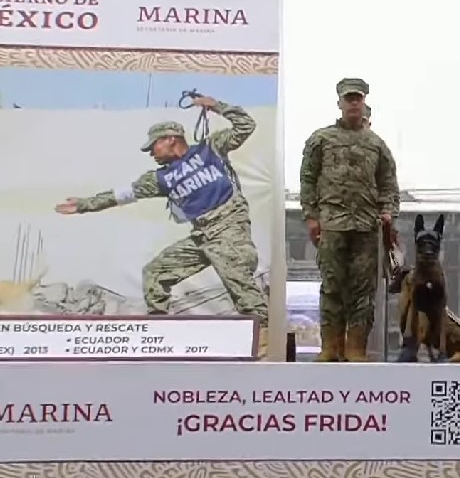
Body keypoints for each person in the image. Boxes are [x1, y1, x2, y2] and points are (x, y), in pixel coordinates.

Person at [55, 95, 269, 355]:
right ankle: (160, 333)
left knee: (242, 289)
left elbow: (246, 125)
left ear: (171, 138)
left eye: (154, 146)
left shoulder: (210, 148)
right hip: (202, 235)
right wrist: (85, 204)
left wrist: (215, 106)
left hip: (228, 228)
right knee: (155, 273)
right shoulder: (160, 178)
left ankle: (265, 347)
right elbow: (123, 194)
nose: (152, 152)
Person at [298, 78, 399, 363]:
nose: (354, 103)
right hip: (332, 224)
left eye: (358, 99)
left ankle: (355, 347)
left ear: (364, 102)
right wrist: (311, 217)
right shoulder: (321, 139)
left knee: (363, 289)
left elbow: (389, 184)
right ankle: (330, 346)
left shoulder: (376, 144)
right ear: (340, 103)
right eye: (348, 99)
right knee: (332, 285)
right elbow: (307, 179)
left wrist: (388, 212)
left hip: (366, 227)